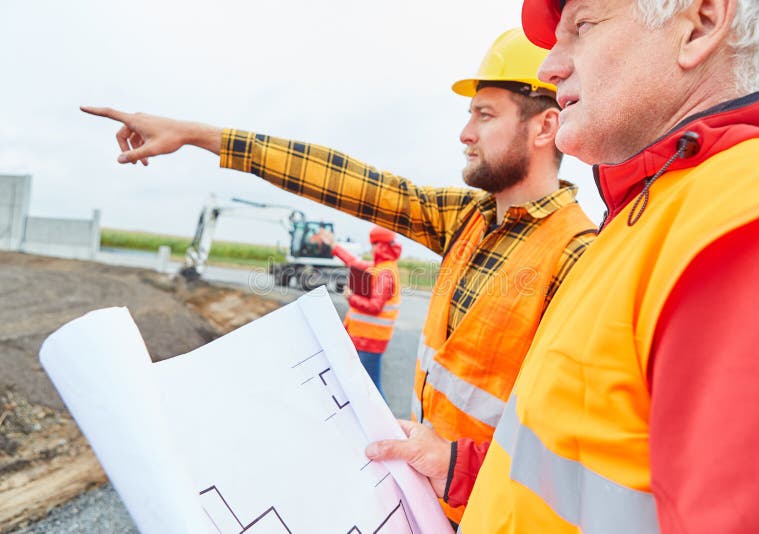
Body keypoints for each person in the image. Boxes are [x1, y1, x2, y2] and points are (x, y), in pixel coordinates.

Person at [81, 27, 596, 526]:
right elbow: (348, 180)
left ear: (545, 127)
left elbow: (579, 452)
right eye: (469, 115)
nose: (465, 134)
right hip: (430, 502)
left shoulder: (577, 255)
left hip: (495, 514)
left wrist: (457, 467)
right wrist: (197, 135)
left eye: (484, 115)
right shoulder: (467, 216)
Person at [367, 0, 759, 532]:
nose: (550, 65)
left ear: (701, 25)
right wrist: (460, 470)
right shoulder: (641, 219)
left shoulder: (752, 225)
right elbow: (581, 473)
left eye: (583, 26)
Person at [315, 225, 402, 395]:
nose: (372, 248)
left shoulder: (385, 273)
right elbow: (353, 262)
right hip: (365, 338)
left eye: (374, 244)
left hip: (370, 339)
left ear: (382, 246)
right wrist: (334, 245)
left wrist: (350, 297)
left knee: (371, 387)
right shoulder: (382, 268)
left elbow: (375, 307)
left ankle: (383, 422)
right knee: (365, 384)